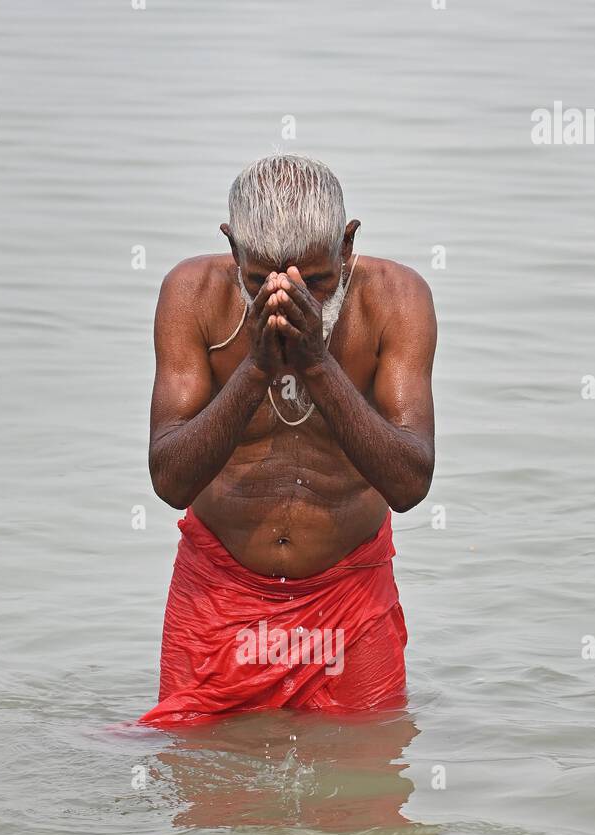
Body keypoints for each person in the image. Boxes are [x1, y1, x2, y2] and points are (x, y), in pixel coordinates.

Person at [139, 153, 437, 725]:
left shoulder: (396, 299)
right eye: (258, 282)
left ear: (347, 246)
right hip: (218, 591)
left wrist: (318, 365)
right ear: (232, 251)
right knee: (206, 793)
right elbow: (170, 480)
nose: (287, 300)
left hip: (349, 595)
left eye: (318, 282)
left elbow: (410, 481)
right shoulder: (192, 294)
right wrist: (254, 370)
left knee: (364, 794)